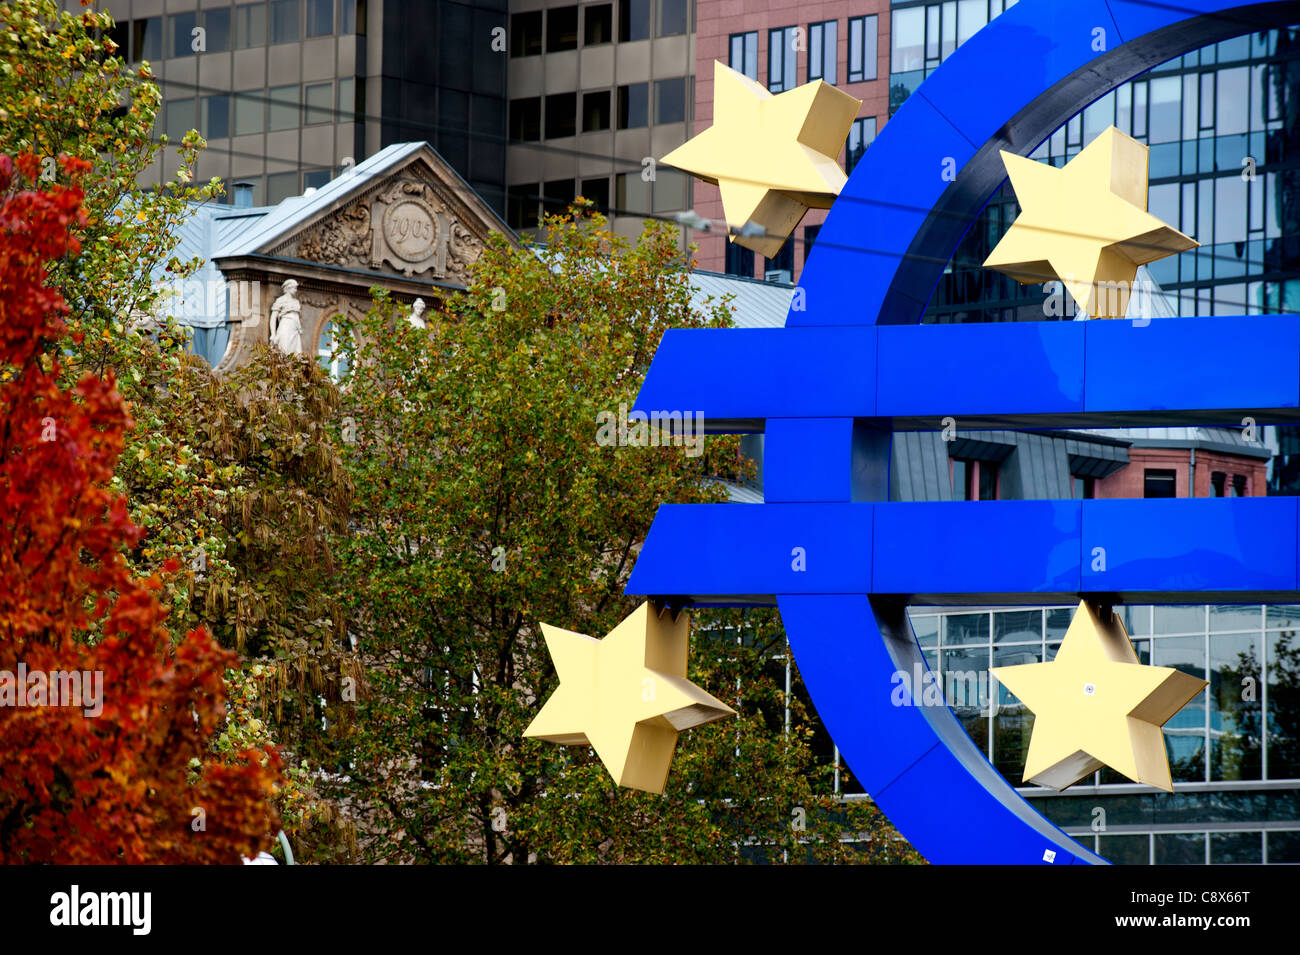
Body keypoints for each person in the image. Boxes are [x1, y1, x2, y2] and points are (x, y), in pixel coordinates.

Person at [269, 279, 303, 355]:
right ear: (288, 288)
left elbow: (297, 317)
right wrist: (273, 334)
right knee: (284, 350)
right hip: (285, 327)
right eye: (294, 288)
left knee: (296, 354)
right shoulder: (281, 300)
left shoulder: (296, 302)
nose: (296, 290)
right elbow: (273, 317)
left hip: (295, 329)